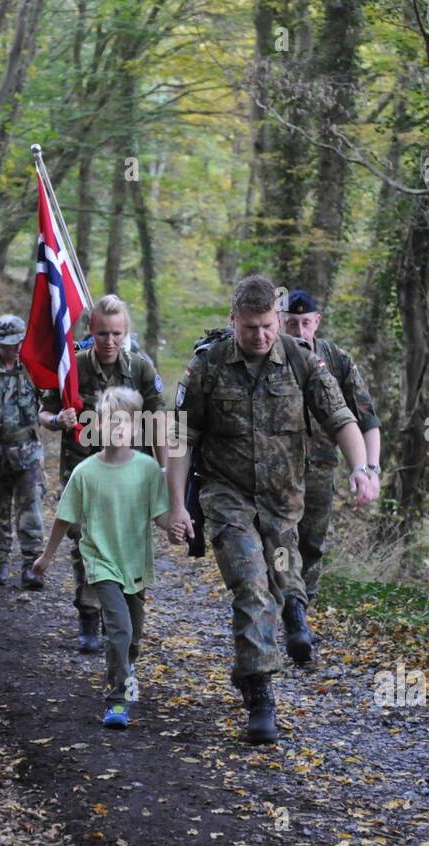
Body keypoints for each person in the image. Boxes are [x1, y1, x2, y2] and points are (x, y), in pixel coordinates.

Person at [165, 275, 379, 744]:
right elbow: (181, 436)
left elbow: (341, 418)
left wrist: (361, 468)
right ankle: (259, 692)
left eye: (266, 326)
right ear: (233, 320)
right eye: (249, 327)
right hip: (227, 497)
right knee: (251, 585)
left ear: (278, 320)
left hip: (284, 503)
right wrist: (176, 505)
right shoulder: (208, 366)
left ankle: (293, 618)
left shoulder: (302, 361)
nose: (260, 336)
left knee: (283, 580)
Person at [32, 387, 174, 729]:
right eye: (111, 422)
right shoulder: (85, 472)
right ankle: (116, 700)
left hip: (135, 563)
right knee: (119, 631)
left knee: (133, 638)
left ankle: (126, 669)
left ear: (136, 427)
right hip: (101, 562)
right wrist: (46, 558)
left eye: (124, 422)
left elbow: (161, 516)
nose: (118, 429)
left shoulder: (148, 469)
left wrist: (179, 526)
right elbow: (64, 518)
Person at [38, 294, 166, 654]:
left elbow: (158, 422)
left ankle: (125, 615)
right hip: (83, 469)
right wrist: (56, 420)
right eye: (102, 334)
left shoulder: (140, 370)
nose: (109, 341)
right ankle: (89, 614)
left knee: (126, 541)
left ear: (126, 334)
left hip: (129, 476)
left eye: (116, 334)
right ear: (90, 331)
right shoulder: (71, 367)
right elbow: (43, 413)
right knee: (85, 543)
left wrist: (164, 470)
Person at [281, 290, 382, 611]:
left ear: (317, 322)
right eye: (292, 324)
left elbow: (367, 419)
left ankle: (302, 610)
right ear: (281, 322)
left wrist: (370, 470)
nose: (299, 332)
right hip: (275, 469)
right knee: (278, 540)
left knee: (311, 542)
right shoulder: (269, 357)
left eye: (305, 323)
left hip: (320, 468)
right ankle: (278, 602)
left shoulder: (337, 360)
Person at [0, 314, 46, 590]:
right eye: (10, 343)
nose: (15, 348)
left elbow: (49, 400)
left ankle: (31, 565)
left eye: (19, 343)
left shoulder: (34, 367)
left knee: (31, 509)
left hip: (29, 449)